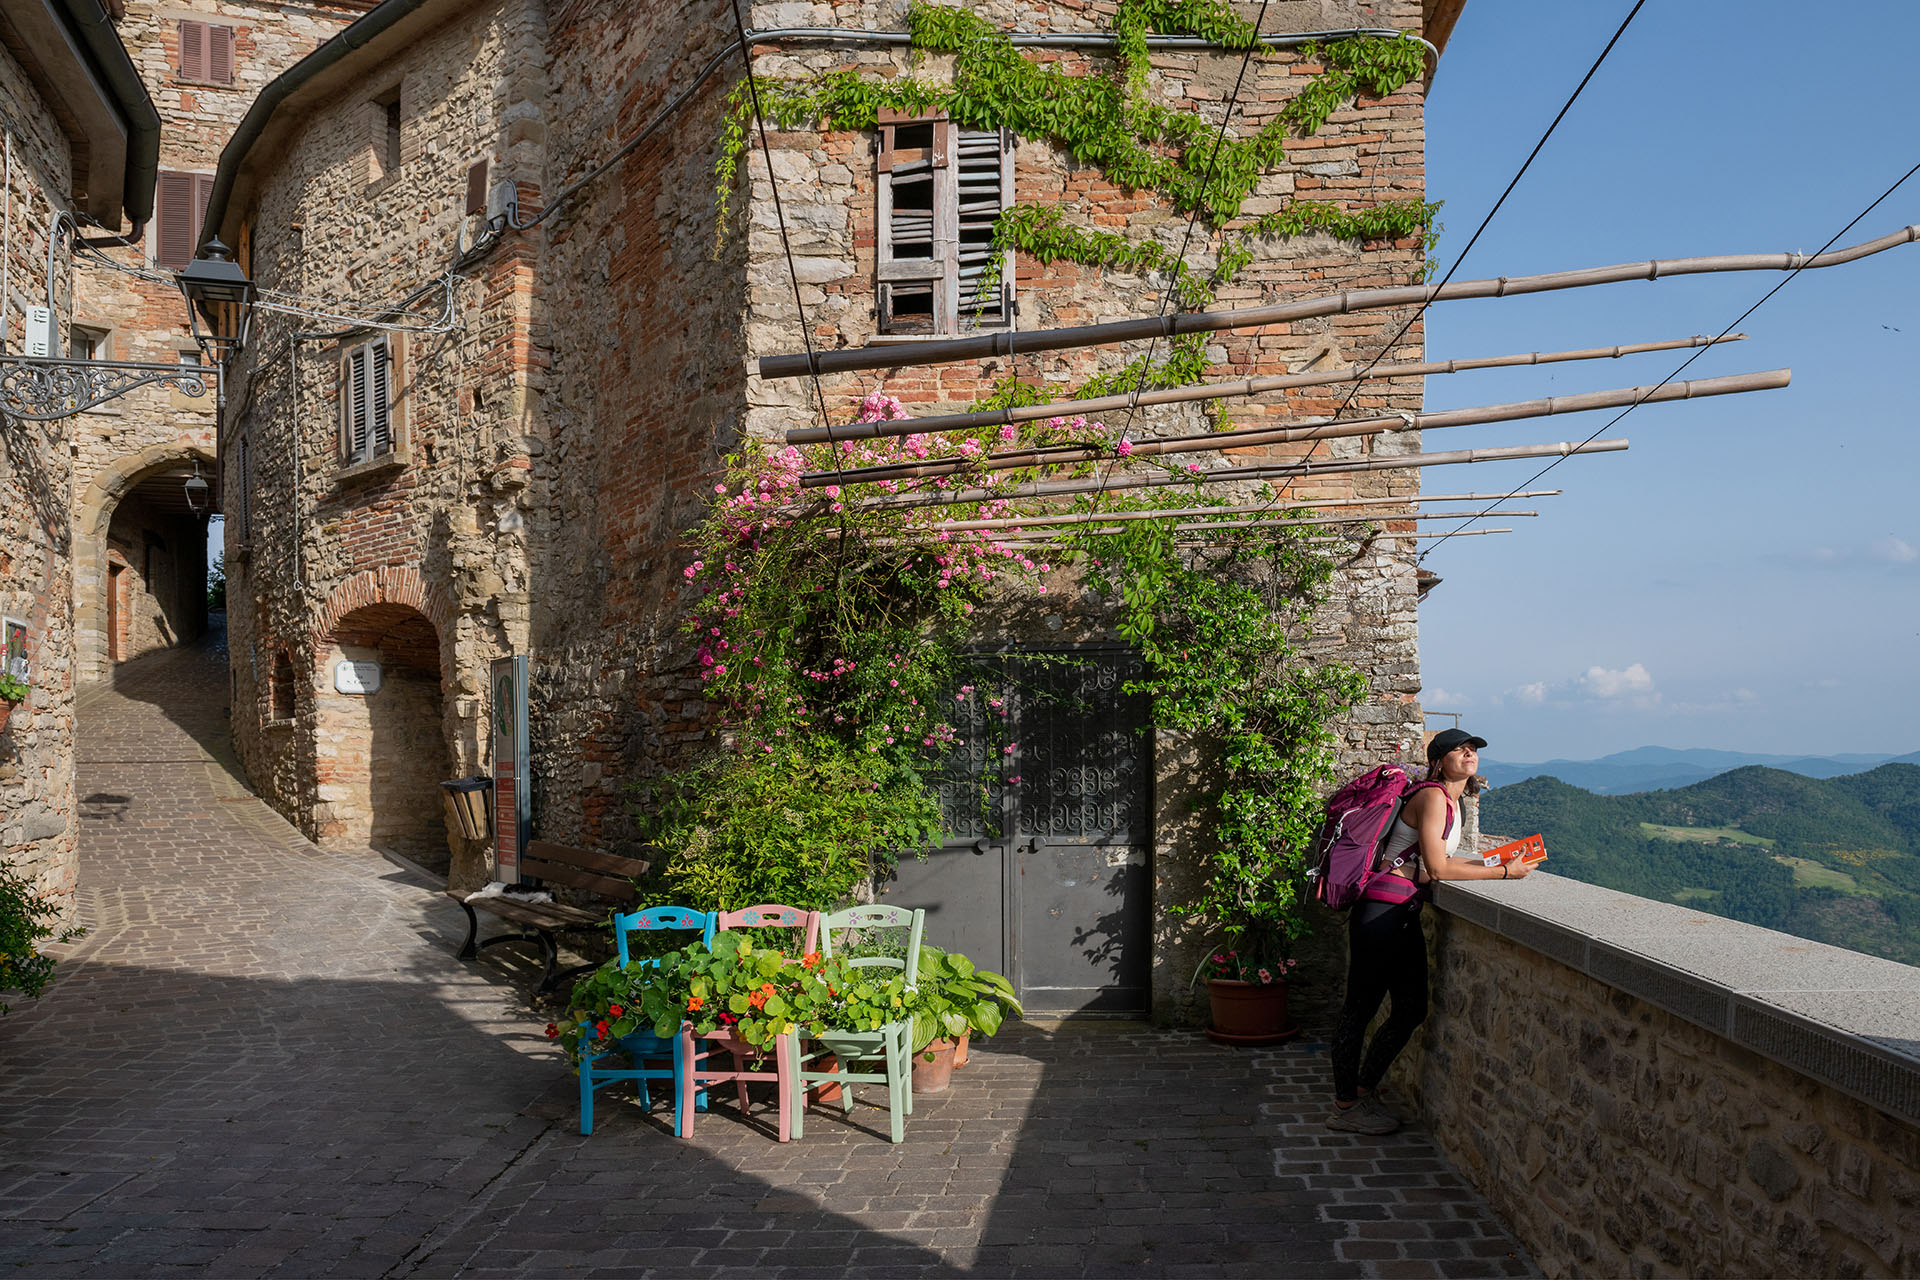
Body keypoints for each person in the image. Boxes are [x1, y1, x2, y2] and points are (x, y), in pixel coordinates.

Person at [1325, 727, 1534, 1135]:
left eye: (1473, 749)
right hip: (1382, 912)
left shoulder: (1454, 804)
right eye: (1460, 748)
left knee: (1410, 1007)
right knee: (1361, 1008)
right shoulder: (1434, 797)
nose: (1470, 752)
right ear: (1438, 761)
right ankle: (1346, 1105)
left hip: (1399, 911)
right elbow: (1436, 870)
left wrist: (1502, 860)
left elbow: (1431, 863)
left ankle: (1362, 1090)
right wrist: (1504, 873)